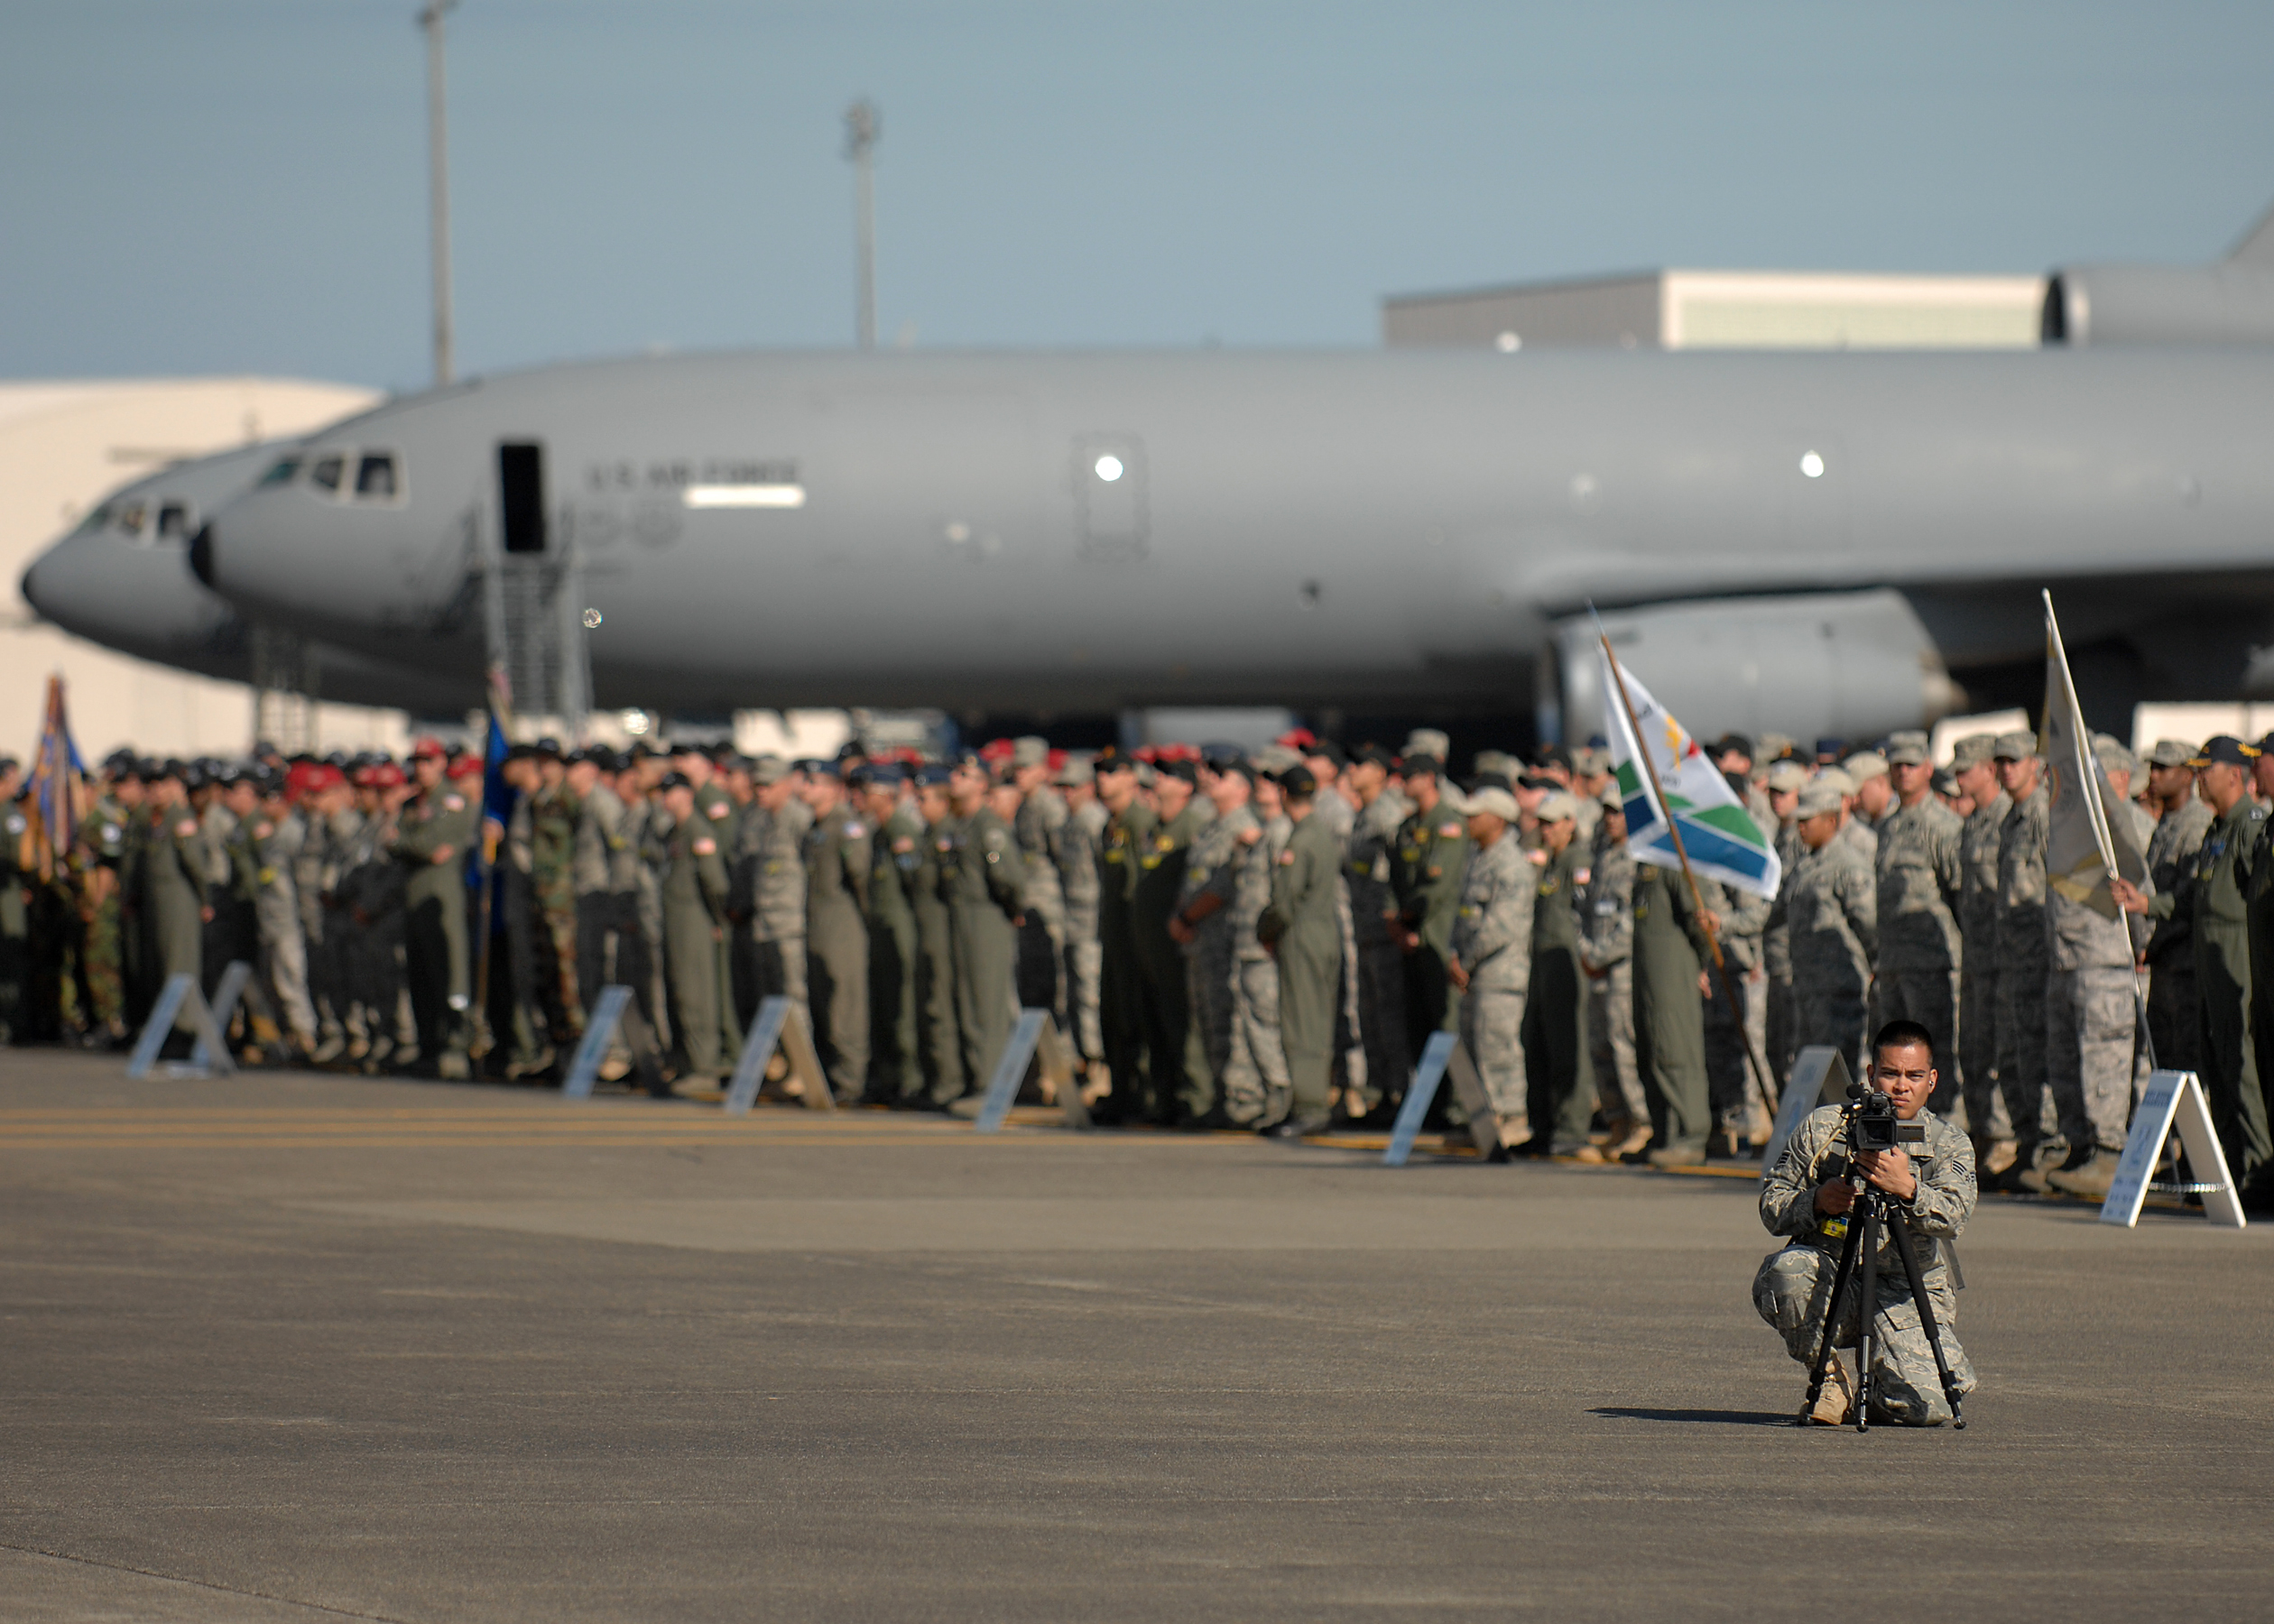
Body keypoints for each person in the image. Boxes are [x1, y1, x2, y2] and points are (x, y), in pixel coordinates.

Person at [1753, 1019, 1978, 1427]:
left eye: (1913, 1076)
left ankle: (1882, 1390)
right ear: (1871, 1075)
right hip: (1835, 1282)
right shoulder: (1826, 1128)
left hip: (1904, 1294)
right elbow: (1771, 1203)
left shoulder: (1949, 1142)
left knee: (1926, 1408)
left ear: (1932, 1080)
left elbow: (1955, 1216)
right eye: (1890, 1073)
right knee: (1786, 1272)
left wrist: (1909, 1189)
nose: (1900, 1087)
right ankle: (1829, 1382)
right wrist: (1817, 1201)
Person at [2115, 736, 2271, 1196]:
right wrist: (2146, 902)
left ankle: (2261, 1169)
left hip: (2238, 967)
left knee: (2242, 1069)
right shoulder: (2217, 830)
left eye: (2208, 769)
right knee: (2217, 1070)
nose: (2201, 777)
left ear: (2234, 775)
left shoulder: (2251, 825)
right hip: (2209, 970)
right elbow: (2195, 898)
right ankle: (2229, 1172)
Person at [2040, 738, 2153, 1199]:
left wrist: (2144, 944)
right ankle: (2081, 1145)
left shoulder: (2130, 826)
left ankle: (2108, 1151)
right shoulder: (2069, 826)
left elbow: (2144, 885)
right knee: (2066, 1058)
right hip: (2068, 959)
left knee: (2105, 1057)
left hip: (2107, 960)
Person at [1870, 732, 1964, 1114]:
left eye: (1911, 765)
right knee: (1895, 1059)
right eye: (1897, 766)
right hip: (1894, 963)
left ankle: (1942, 1131)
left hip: (1930, 964)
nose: (1904, 772)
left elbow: (1959, 892)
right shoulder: (1889, 825)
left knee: (1931, 1052)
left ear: (1928, 768)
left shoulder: (1942, 825)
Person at [1171, 758, 1259, 1127]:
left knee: (1226, 1020)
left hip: (1223, 941)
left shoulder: (1243, 828)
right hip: (1200, 942)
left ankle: (1236, 1102)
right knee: (1207, 1022)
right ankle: (1217, 1099)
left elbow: (1222, 888)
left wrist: (1187, 917)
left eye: (1220, 774)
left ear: (1242, 788)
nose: (1209, 777)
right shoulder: (1212, 827)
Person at [1447, 785, 1533, 1151]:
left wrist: (1465, 961)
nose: (1468, 820)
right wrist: (1454, 956)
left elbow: (1501, 926)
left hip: (1501, 974)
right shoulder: (1477, 857)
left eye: (1475, 814)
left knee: (1499, 1047)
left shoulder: (1510, 863)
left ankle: (1511, 1118)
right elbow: (1463, 914)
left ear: (1497, 820)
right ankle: (1485, 1121)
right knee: (1477, 1046)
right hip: (1476, 974)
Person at [1256, 765, 1340, 1139]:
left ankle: (1309, 1106)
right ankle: (1309, 1101)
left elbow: (1284, 902)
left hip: (1302, 933)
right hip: (1324, 931)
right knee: (1317, 1019)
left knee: (1302, 1023)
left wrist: (1265, 929)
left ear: (1284, 794)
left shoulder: (1300, 839)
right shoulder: (1321, 834)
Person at [1775, 781, 1877, 1078]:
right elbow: (1775, 912)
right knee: (1812, 1075)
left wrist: (1875, 966)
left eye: (1807, 820)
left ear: (1830, 820)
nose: (1800, 828)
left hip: (1839, 991)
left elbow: (1869, 924)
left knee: (1841, 1076)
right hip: (1809, 990)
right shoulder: (1804, 867)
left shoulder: (1848, 865)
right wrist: (1725, 924)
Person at [942, 752, 1025, 1099]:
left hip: (987, 915)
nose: (954, 780)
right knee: (970, 1001)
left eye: (964, 774)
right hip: (965, 916)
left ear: (981, 785)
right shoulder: (963, 824)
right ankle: (978, 1079)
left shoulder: (988, 826)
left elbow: (1011, 878)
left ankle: (992, 1086)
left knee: (987, 1002)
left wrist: (1013, 908)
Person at [1991, 732, 2053, 1192]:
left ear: (2034, 763)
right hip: (2011, 960)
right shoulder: (2011, 818)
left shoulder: (2043, 815)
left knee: (2040, 1054)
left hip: (2040, 958)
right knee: (2014, 1056)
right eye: (2001, 761)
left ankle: (2049, 1151)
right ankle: (2028, 1144)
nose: (2006, 769)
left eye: (2014, 761)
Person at [1521, 789, 1598, 1158]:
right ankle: (1543, 1124)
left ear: (1570, 824)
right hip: (1541, 962)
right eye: (1542, 823)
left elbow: (1583, 915)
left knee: (1569, 1045)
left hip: (1565, 963)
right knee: (1537, 1043)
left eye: (1552, 823)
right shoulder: (1547, 862)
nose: (1545, 830)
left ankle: (1572, 1126)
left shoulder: (1576, 860)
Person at [1950, 734, 2011, 1171]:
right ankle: (1985, 1137)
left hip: (2006, 959)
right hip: (1975, 958)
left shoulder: (2008, 819)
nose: (1958, 777)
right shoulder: (1972, 823)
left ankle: (2007, 1139)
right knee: (1974, 1049)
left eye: (1966, 769)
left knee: (2003, 1051)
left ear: (1989, 770)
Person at [1578, 788, 1649, 1158]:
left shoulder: (1639, 857)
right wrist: (1587, 950)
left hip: (1621, 969)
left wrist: (1601, 954)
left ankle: (1640, 1122)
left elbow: (1632, 921)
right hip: (1596, 968)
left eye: (1618, 812)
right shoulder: (1603, 855)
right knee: (1600, 1047)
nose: (1611, 819)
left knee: (1624, 1047)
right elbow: (1589, 910)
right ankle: (1617, 1123)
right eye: (1607, 811)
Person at [800, 761, 872, 1100]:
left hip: (842, 926)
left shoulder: (846, 826)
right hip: (819, 925)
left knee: (846, 1006)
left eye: (813, 782)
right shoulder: (816, 826)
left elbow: (860, 877)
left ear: (832, 787)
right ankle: (830, 1077)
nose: (806, 788)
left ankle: (850, 1080)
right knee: (823, 1004)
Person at [2139, 738, 2210, 1078]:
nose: (2153, 775)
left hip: (2184, 969)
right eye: (2153, 767)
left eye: (2163, 768)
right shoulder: (2166, 825)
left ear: (2186, 776)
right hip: (2164, 968)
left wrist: (2154, 945)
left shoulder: (2196, 825)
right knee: (2163, 1064)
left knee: (2186, 1066)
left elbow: (2190, 900)